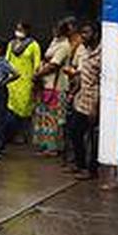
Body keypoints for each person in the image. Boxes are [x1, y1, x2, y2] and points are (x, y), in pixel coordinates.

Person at [32, 18, 76, 156]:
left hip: (56, 86)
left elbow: (54, 65)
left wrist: (38, 74)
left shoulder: (64, 45)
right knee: (44, 117)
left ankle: (54, 148)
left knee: (54, 119)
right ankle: (45, 145)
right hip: (46, 84)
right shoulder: (55, 42)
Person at [65, 22, 102, 180]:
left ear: (96, 34)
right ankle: (80, 164)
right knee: (75, 131)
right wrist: (73, 92)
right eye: (82, 33)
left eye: (87, 33)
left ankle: (91, 169)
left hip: (94, 100)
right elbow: (81, 74)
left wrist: (96, 106)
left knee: (93, 138)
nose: (83, 36)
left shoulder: (103, 53)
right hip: (81, 98)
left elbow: (103, 81)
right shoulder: (85, 51)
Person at [4, 21, 40, 141]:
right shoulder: (11, 44)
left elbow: (37, 64)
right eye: (17, 29)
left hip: (26, 81)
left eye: (21, 29)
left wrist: (35, 79)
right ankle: (11, 134)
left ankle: (23, 135)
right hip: (12, 81)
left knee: (24, 109)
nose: (19, 32)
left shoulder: (34, 45)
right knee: (11, 107)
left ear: (27, 31)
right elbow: (7, 61)